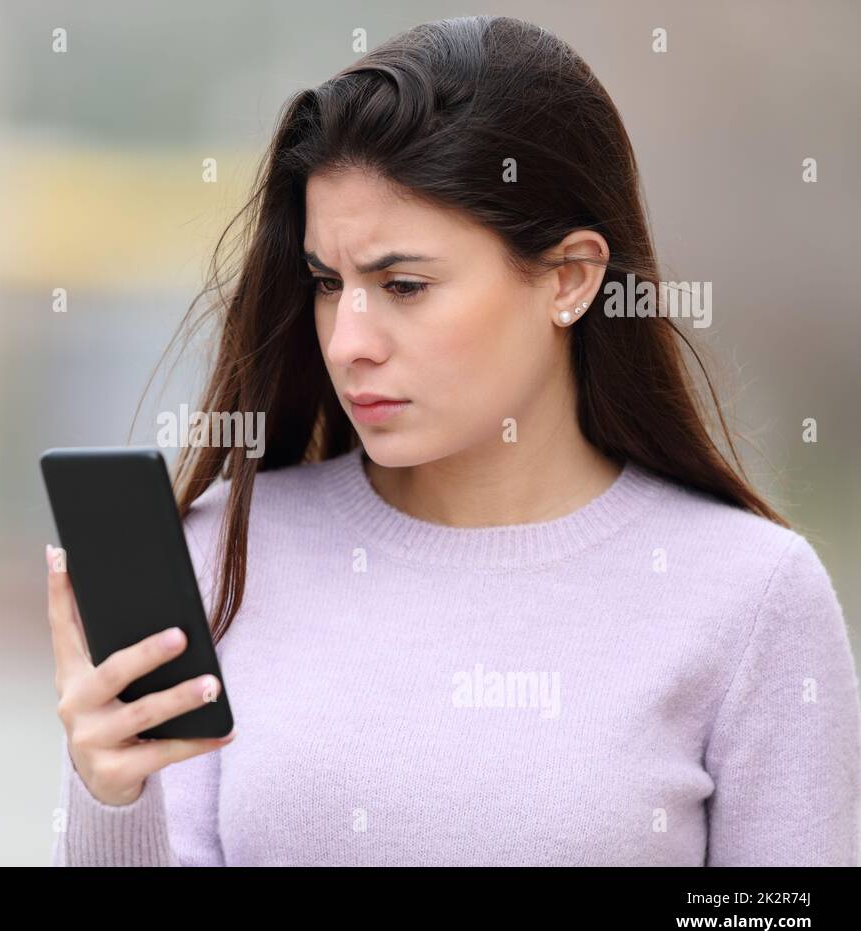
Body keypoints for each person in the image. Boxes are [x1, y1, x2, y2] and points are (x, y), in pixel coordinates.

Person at [46, 15, 860, 865]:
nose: (346, 340)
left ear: (571, 280)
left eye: (404, 284)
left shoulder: (752, 596)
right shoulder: (221, 554)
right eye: (329, 283)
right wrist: (111, 798)